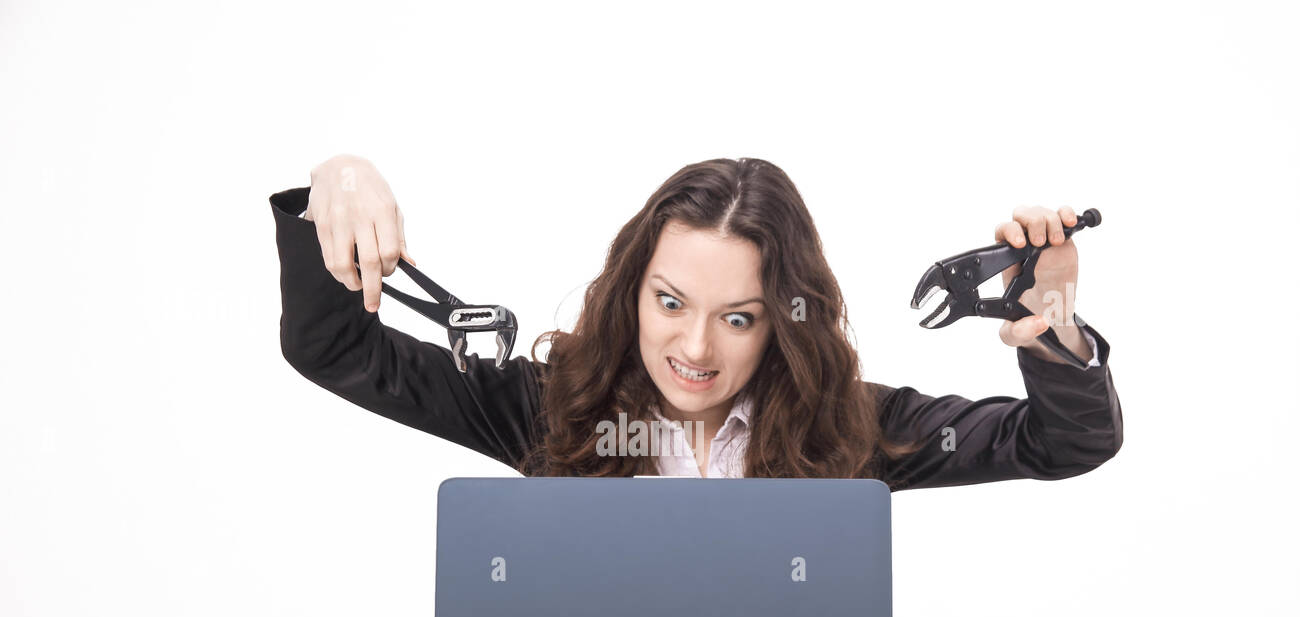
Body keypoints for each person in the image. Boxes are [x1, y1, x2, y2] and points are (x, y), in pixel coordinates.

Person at [271, 154, 1122, 487]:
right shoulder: (548, 408)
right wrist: (334, 186)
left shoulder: (850, 430)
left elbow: (1063, 443)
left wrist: (1051, 321)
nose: (695, 348)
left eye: (740, 319)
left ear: (784, 322)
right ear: (631, 289)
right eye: (670, 303)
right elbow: (334, 347)